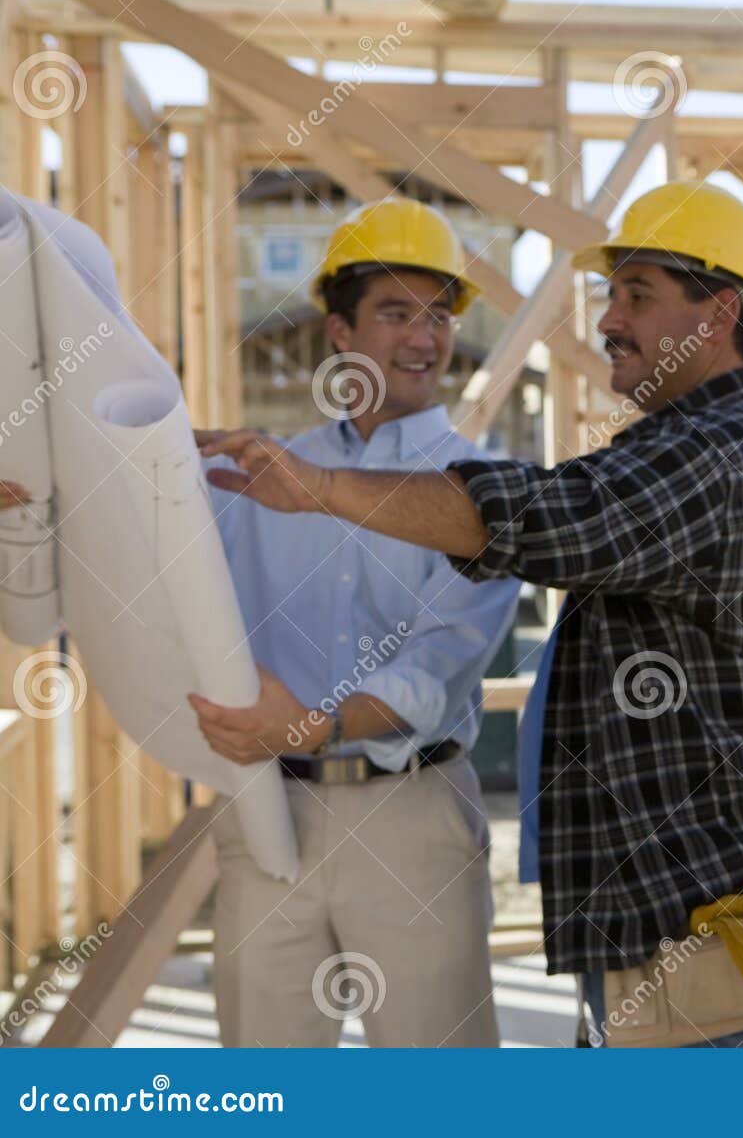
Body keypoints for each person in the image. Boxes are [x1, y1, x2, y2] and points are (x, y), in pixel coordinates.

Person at [197, 181, 743, 1048]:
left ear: (719, 313)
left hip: (696, 902)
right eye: (611, 295)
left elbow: (557, 520)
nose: (608, 322)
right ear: (342, 330)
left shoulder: (722, 453)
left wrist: (323, 493)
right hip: (666, 900)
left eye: (638, 295)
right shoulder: (690, 447)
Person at [188, 199, 519, 1047]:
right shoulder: (257, 479)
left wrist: (308, 723)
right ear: (340, 332)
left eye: (439, 315)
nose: (424, 338)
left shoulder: (484, 490)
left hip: (409, 817)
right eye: (396, 313)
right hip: (269, 815)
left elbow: (440, 665)